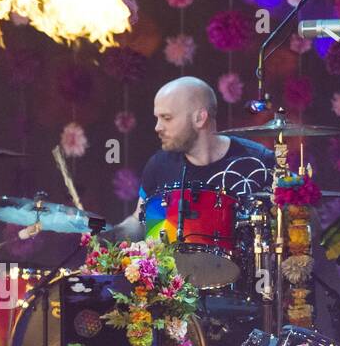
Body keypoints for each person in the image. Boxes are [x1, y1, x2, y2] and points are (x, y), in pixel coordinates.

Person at [114, 76, 273, 241]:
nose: (157, 127)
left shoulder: (259, 161)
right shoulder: (159, 165)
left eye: (166, 118)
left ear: (199, 118)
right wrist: (112, 235)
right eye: (157, 118)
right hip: (176, 266)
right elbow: (139, 220)